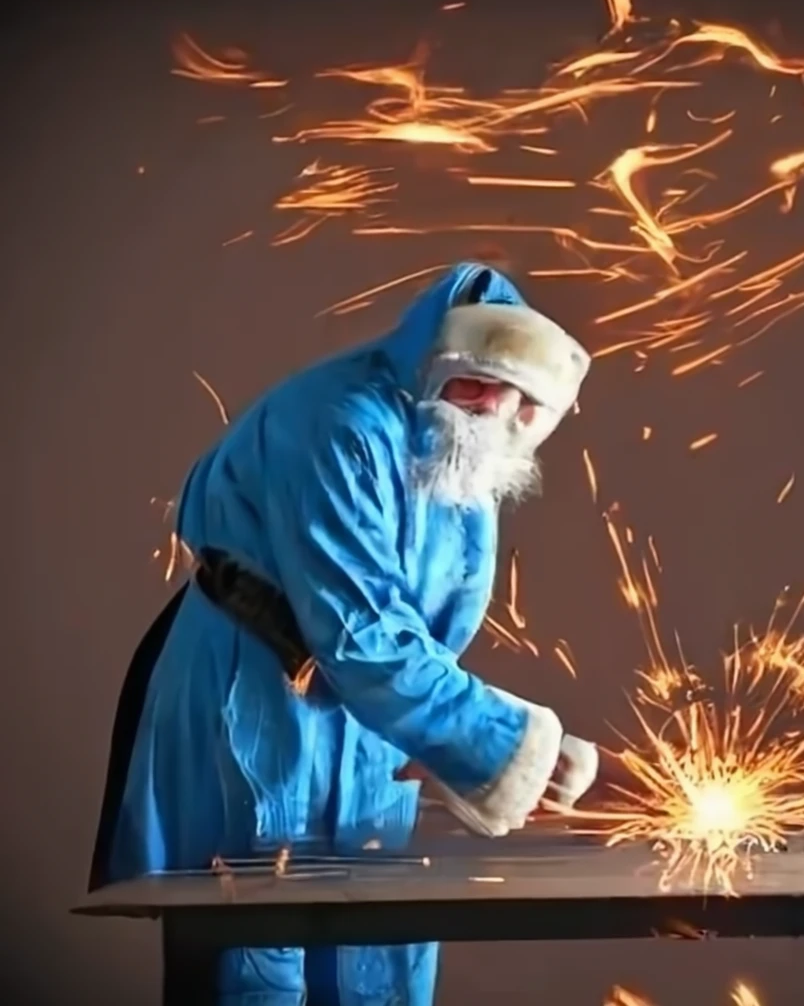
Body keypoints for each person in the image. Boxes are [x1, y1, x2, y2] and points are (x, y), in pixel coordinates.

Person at [89, 262, 599, 1005]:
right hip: (254, 697)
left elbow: (417, 640)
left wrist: (472, 743)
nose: (492, 406)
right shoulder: (337, 425)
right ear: (438, 364)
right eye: (476, 383)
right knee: (254, 954)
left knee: (377, 959)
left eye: (517, 399)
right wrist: (517, 748)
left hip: (369, 718)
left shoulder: (467, 449)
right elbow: (363, 637)